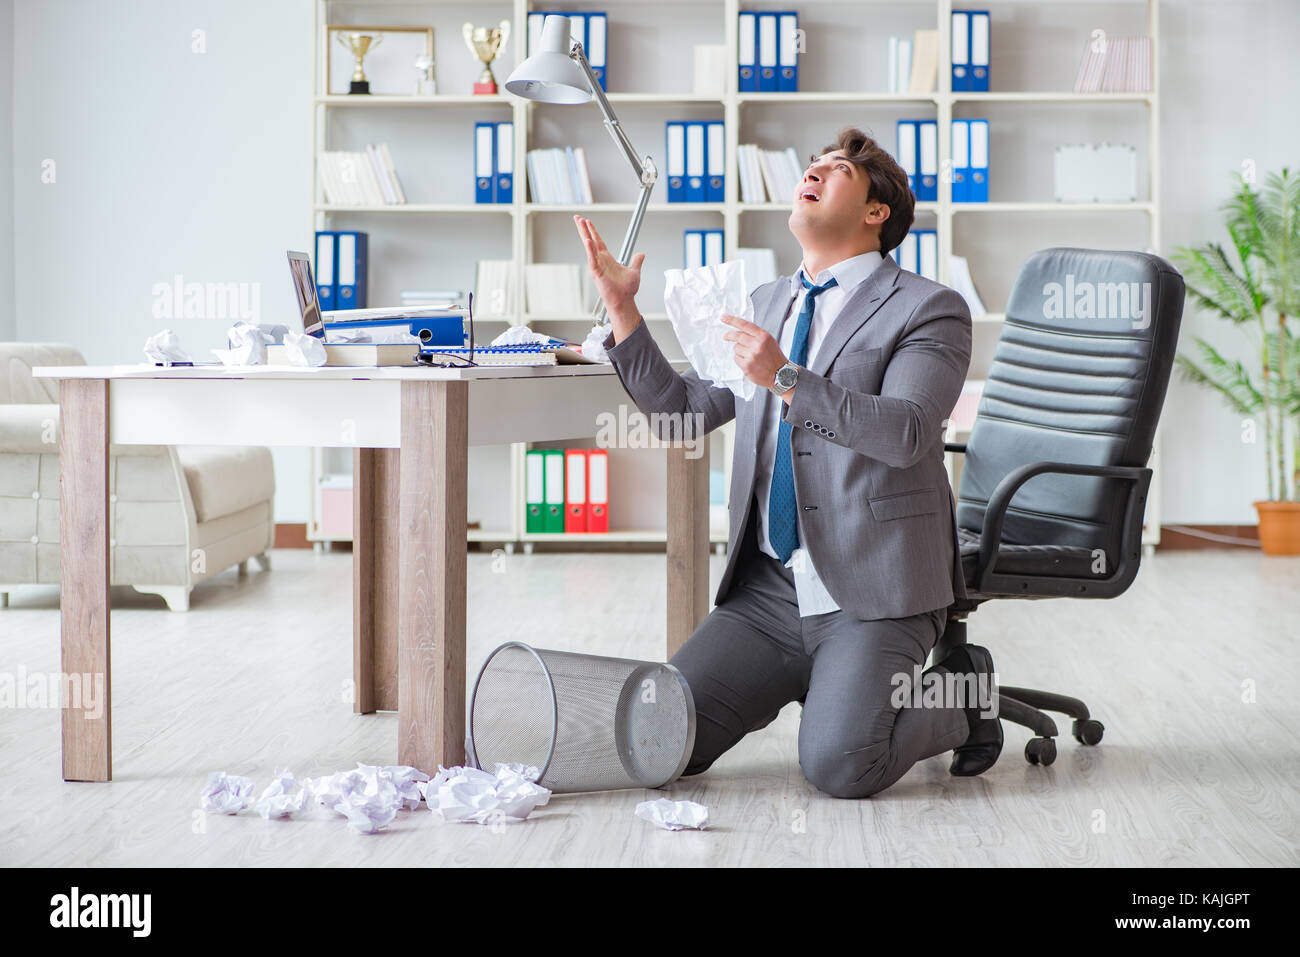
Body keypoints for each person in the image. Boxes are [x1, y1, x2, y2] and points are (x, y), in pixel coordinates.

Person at [573, 126, 1002, 798]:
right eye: (813, 163)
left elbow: (910, 432)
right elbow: (682, 413)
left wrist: (788, 378)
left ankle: (964, 694)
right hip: (768, 592)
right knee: (659, 743)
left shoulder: (928, 307)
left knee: (839, 765)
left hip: (873, 591)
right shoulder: (764, 304)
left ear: (875, 212)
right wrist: (624, 312)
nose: (814, 171)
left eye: (835, 169)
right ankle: (825, 684)